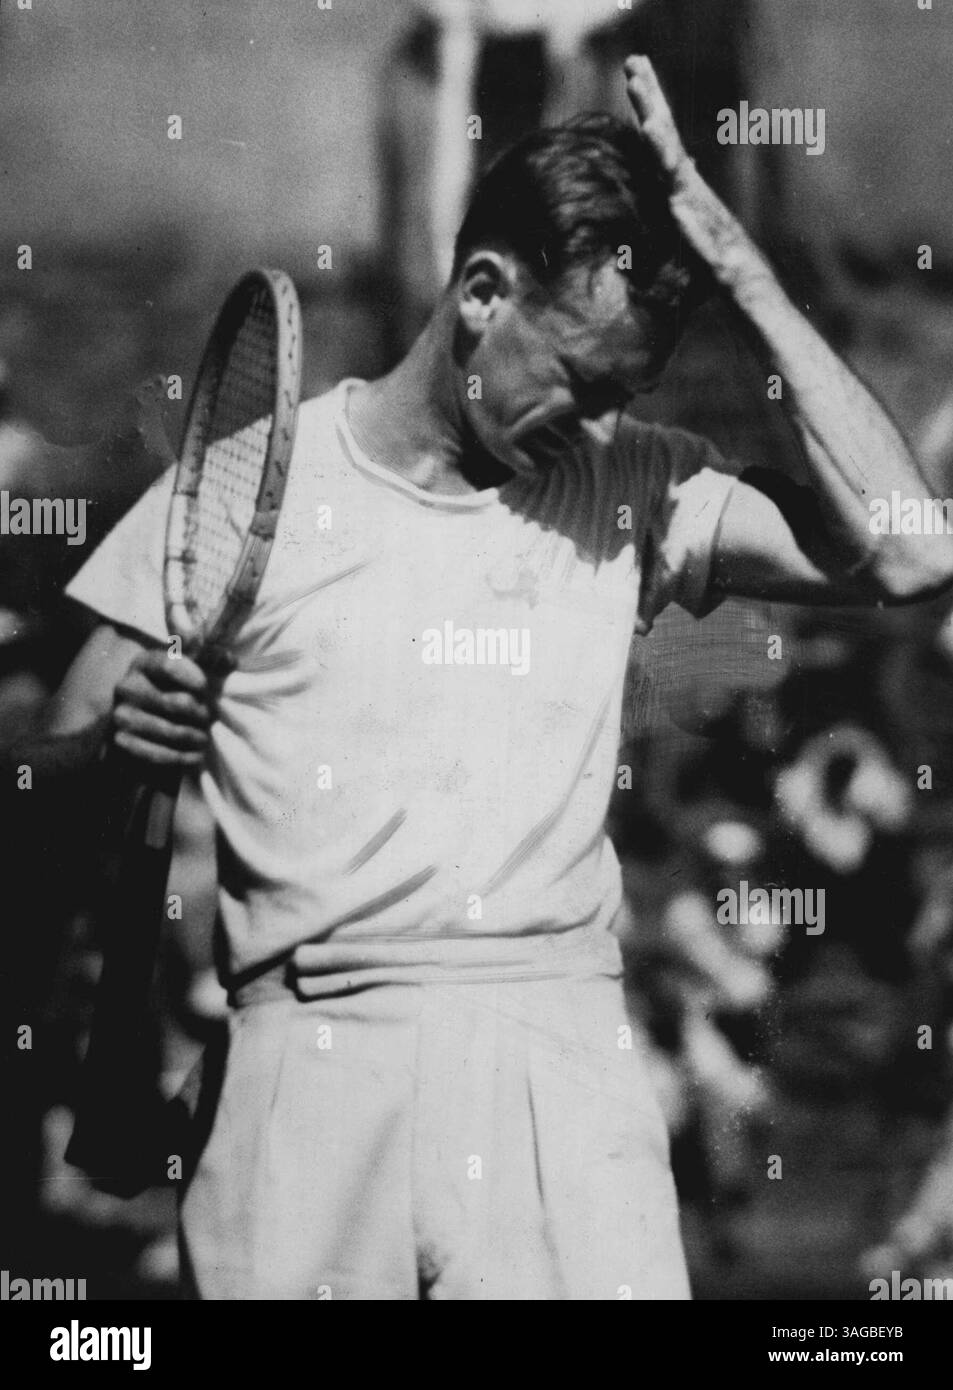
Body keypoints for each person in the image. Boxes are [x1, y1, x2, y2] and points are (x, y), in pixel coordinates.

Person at [24, 57, 953, 1300]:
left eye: (622, 393)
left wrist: (733, 261)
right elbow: (38, 776)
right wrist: (110, 747)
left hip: (558, 1067)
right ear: (480, 292)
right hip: (302, 1070)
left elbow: (911, 547)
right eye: (573, 377)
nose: (591, 419)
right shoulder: (246, 482)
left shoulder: (639, 485)